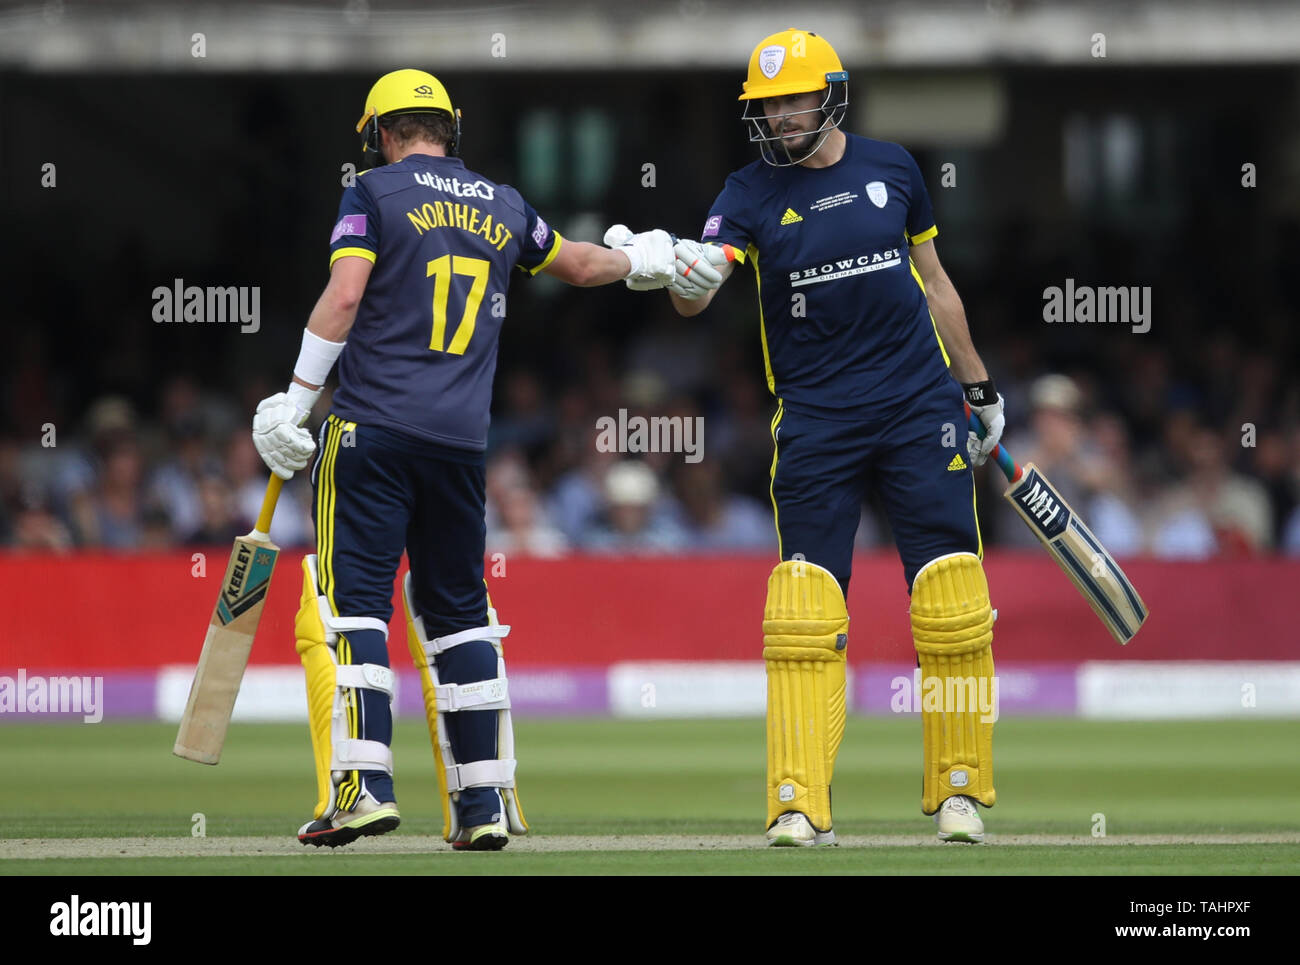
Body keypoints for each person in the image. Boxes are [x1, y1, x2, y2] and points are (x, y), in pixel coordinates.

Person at [251, 68, 676, 851]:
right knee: (457, 615)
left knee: (355, 609)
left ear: (380, 134)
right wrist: (645, 258)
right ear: (451, 128)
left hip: (371, 432)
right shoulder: (504, 203)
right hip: (459, 445)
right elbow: (581, 265)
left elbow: (344, 297)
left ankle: (362, 789)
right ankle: (482, 804)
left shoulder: (372, 195)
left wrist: (296, 397)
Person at [663, 29, 1007, 845]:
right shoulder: (745, 193)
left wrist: (979, 385)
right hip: (816, 418)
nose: (781, 115)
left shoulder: (893, 168)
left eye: (793, 99)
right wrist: (694, 279)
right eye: (768, 104)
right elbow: (694, 296)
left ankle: (960, 790)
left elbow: (936, 282)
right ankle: (796, 800)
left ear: (829, 96)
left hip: (920, 405)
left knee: (954, 595)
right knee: (804, 610)